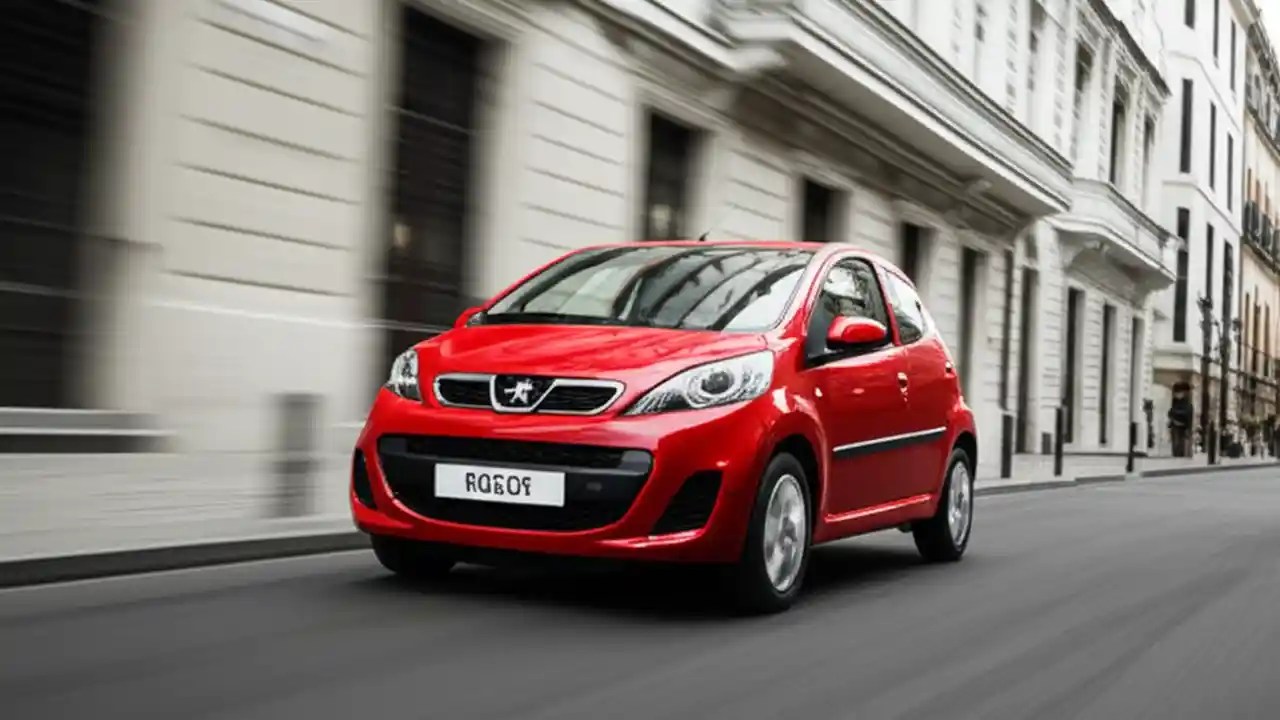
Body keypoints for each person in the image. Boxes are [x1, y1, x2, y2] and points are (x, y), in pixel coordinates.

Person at [1168, 382, 1194, 457]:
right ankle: (1177, 454)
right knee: (1176, 442)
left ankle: (1181, 454)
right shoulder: (1176, 401)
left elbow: (1187, 414)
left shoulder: (1186, 402)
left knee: (1180, 442)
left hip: (1182, 425)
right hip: (1176, 425)